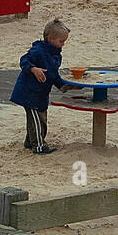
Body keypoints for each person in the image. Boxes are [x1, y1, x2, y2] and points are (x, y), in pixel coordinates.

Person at [10, 18, 73, 155]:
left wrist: (65, 86)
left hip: (41, 93)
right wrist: (34, 69)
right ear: (50, 39)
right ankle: (39, 146)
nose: (63, 44)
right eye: (61, 41)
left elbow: (53, 74)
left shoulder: (55, 55)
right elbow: (24, 60)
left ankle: (30, 141)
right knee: (37, 120)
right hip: (29, 92)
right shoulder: (38, 50)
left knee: (40, 119)